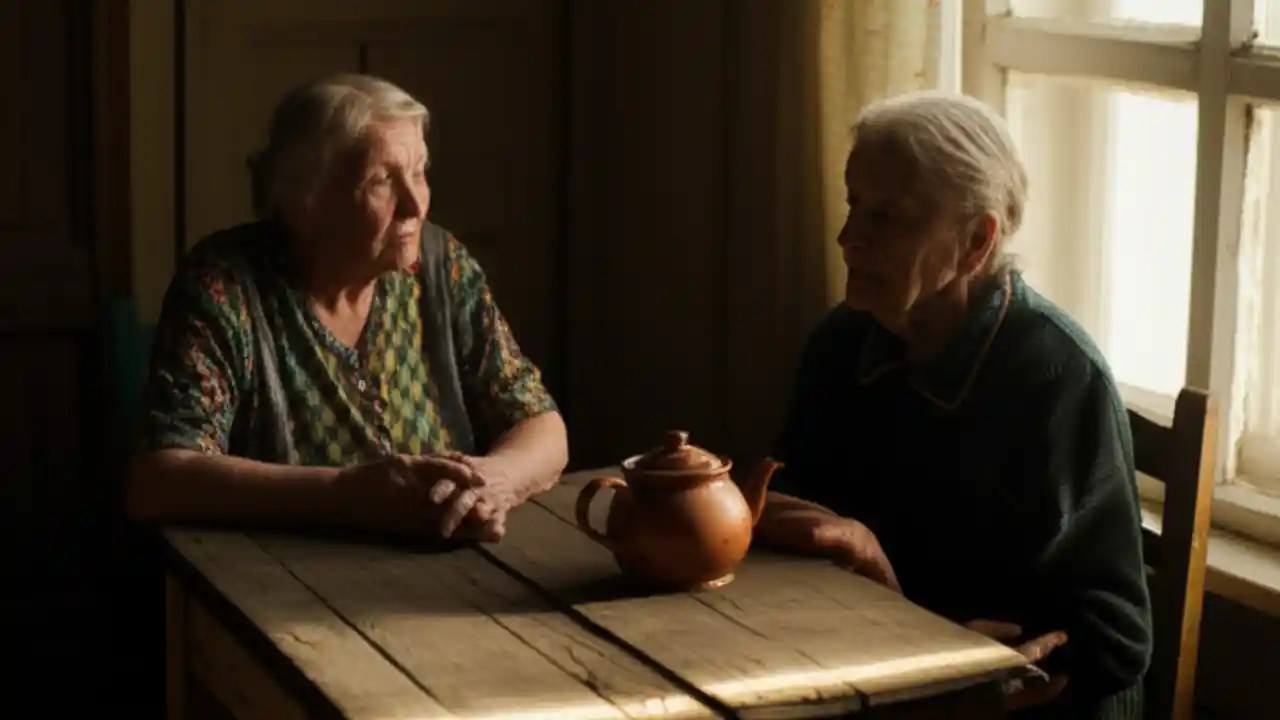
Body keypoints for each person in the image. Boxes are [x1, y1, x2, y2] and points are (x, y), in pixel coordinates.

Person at [754, 90, 1152, 719]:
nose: (847, 237)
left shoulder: (1055, 377)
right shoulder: (843, 341)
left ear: (976, 241)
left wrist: (945, 641)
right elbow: (794, 506)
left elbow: (1113, 634)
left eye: (887, 218)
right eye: (854, 204)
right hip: (880, 673)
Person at [127, 73, 568, 542]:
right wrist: (346, 494)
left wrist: (492, 483)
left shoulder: (443, 267)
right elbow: (160, 479)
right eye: (382, 180)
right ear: (305, 201)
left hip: (451, 573)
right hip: (285, 583)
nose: (415, 204)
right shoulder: (226, 286)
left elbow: (540, 423)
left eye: (419, 171)